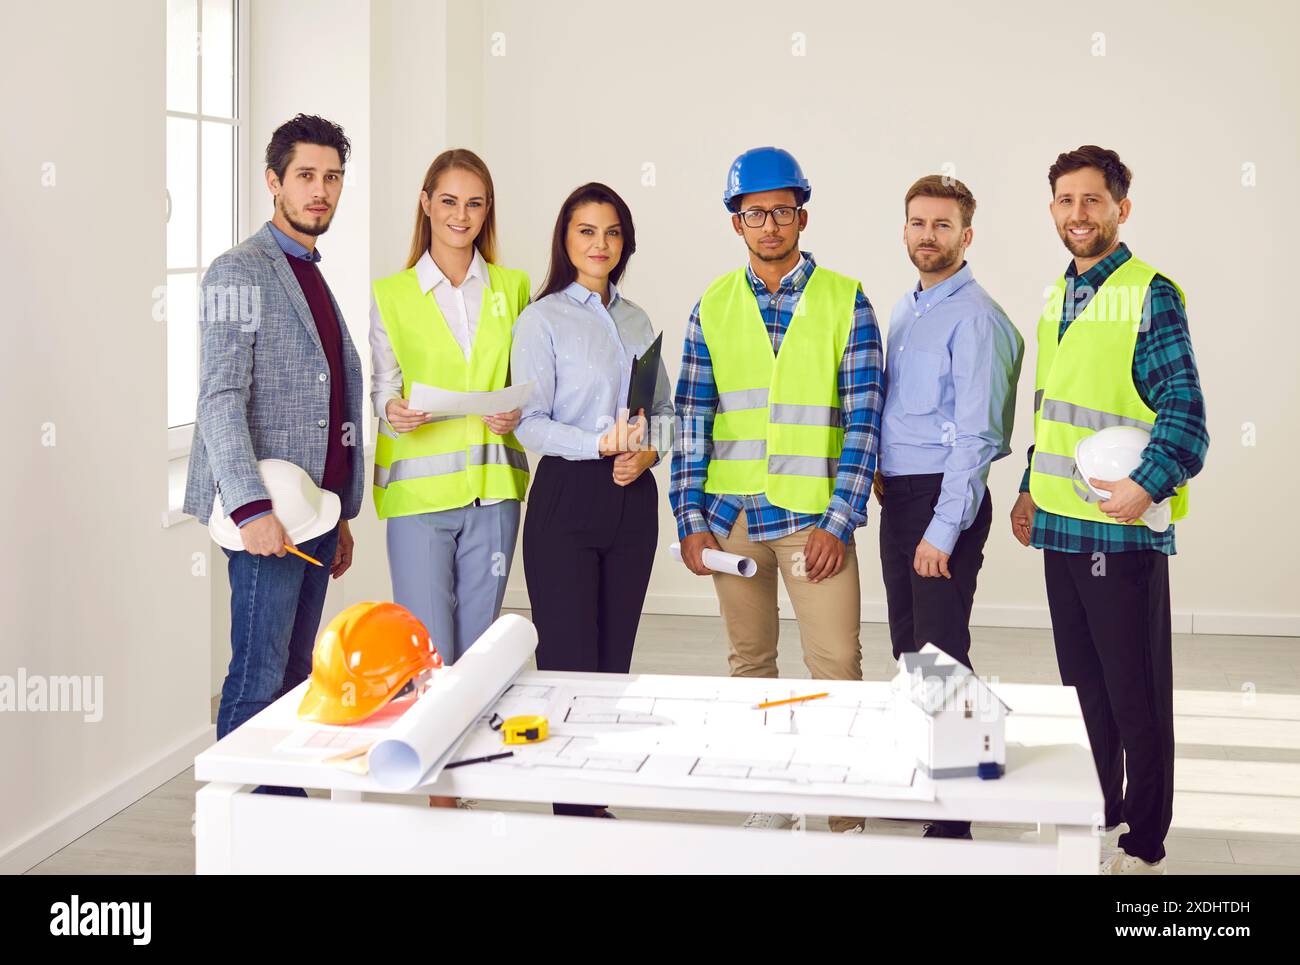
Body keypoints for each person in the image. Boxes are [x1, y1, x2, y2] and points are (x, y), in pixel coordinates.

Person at [669, 147, 883, 833]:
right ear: (736, 222)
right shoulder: (712, 305)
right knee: (750, 664)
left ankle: (844, 813)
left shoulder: (846, 299)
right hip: (731, 519)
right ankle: (769, 792)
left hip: (813, 521)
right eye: (755, 213)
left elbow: (864, 420)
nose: (770, 225)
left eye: (782, 211)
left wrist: (839, 520)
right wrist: (688, 517)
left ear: (803, 216)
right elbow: (691, 419)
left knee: (836, 665)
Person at [1009, 145, 1208, 874]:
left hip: (1121, 535)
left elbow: (1186, 412)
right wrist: (1029, 485)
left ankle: (1145, 845)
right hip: (1061, 527)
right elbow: (1055, 410)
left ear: (1121, 208)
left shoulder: (1150, 293)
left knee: (1136, 696)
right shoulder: (1058, 297)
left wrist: (1147, 484)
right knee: (1085, 690)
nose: (1078, 213)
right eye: (1066, 200)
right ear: (1052, 209)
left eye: (1092, 200)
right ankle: (1102, 812)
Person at [184, 114, 364, 796]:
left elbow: (325, 397)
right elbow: (219, 397)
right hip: (268, 518)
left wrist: (338, 513)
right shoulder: (240, 269)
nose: (320, 190)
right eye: (306, 176)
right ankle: (232, 825)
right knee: (256, 680)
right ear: (273, 181)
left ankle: (280, 820)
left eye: (332, 177)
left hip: (312, 515)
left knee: (295, 681)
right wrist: (250, 508)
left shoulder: (308, 270)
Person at [511, 182, 673, 818]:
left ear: (624, 242)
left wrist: (648, 453)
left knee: (613, 659)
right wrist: (599, 445)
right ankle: (569, 804)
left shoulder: (638, 320)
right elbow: (529, 424)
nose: (600, 243)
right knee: (568, 657)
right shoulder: (542, 320)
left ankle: (597, 795)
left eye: (611, 232)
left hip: (633, 499)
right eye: (586, 231)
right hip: (567, 495)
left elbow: (666, 414)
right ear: (565, 238)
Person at [875, 175, 1023, 839]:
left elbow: (978, 435)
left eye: (942, 224)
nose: (927, 235)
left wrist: (942, 527)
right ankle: (933, 775)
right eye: (918, 222)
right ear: (904, 229)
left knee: (941, 648)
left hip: (945, 499)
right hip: (902, 496)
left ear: (967, 235)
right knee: (913, 647)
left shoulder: (977, 317)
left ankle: (957, 815)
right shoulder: (907, 311)